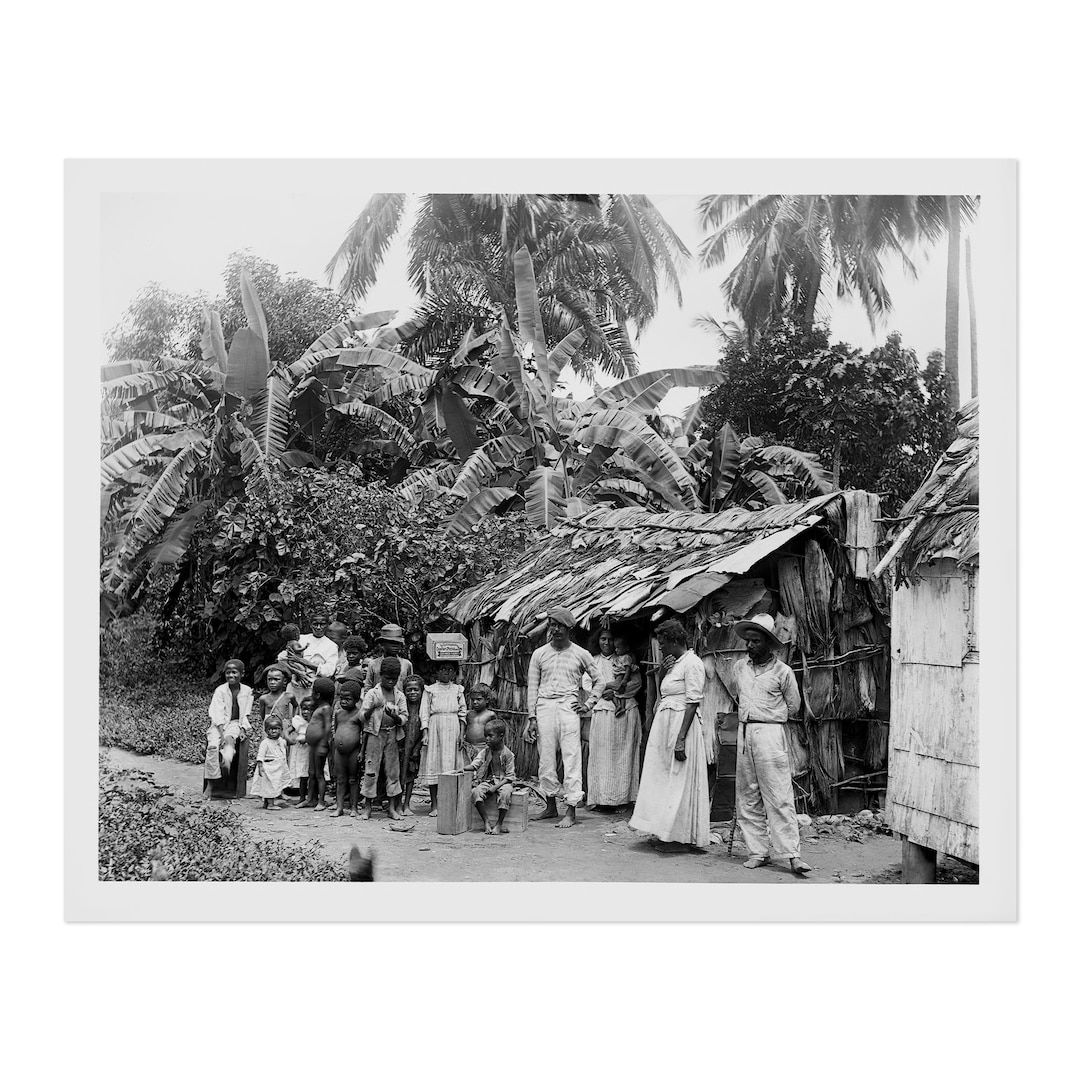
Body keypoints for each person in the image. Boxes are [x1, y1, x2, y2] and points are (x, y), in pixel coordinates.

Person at [731, 613, 812, 876]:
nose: (750, 645)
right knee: (747, 796)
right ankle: (758, 852)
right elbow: (737, 695)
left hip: (770, 733)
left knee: (778, 795)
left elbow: (794, 705)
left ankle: (792, 855)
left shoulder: (782, 672)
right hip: (745, 732)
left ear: (768, 643)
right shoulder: (740, 668)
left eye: (756, 641)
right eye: (748, 640)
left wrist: (768, 716)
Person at [629, 619, 710, 848]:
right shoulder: (675, 663)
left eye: (663, 643)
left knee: (679, 781)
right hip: (666, 725)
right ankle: (663, 830)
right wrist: (664, 670)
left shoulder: (693, 663)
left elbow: (692, 702)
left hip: (681, 726)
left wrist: (680, 739)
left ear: (675, 641)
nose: (661, 648)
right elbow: (665, 692)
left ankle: (680, 837)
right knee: (664, 779)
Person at [524, 607, 605, 829]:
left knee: (571, 757)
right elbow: (533, 687)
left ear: (569, 628)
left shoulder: (580, 653)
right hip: (544, 707)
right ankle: (550, 806)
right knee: (546, 758)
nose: (556, 630)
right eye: (552, 625)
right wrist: (532, 717)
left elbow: (599, 681)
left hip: (568, 707)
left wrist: (588, 704)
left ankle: (570, 811)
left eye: (560, 626)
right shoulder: (539, 654)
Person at [585, 629, 641, 809]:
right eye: (603, 639)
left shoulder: (626, 659)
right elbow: (587, 684)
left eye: (610, 639)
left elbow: (636, 683)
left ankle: (622, 800)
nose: (607, 643)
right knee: (601, 756)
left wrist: (616, 692)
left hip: (625, 712)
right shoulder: (593, 661)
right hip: (602, 711)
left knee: (623, 755)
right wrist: (604, 690)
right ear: (598, 640)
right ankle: (601, 799)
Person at [359, 657, 407, 820]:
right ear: (381, 676)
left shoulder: (399, 695)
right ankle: (367, 808)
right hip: (375, 734)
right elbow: (361, 717)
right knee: (371, 770)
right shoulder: (373, 693)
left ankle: (392, 808)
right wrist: (373, 706)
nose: (390, 682)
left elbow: (404, 717)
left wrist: (395, 717)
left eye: (394, 679)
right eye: (387, 678)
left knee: (393, 771)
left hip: (392, 734)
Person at [418, 659, 467, 817]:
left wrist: (462, 734)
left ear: (454, 673)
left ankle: (450, 803)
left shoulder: (458, 690)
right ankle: (435, 804)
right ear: (437, 672)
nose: (447, 672)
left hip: (453, 727)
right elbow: (424, 713)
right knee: (435, 764)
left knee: (451, 764)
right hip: (436, 728)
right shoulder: (430, 690)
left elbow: (463, 713)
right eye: (443, 669)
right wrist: (425, 733)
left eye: (450, 669)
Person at [203, 659, 254, 799]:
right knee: (213, 747)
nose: (231, 675)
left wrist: (243, 729)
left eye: (234, 672)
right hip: (218, 725)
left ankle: (226, 774)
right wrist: (221, 735)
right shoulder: (220, 690)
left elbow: (246, 714)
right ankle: (211, 785)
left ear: (242, 674)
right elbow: (217, 714)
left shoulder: (247, 691)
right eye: (228, 672)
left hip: (235, 724)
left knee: (229, 748)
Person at [471, 718, 517, 835]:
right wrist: (462, 769)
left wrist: (495, 788)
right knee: (476, 792)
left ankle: (499, 823)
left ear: (501, 736)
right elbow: (476, 763)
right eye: (485, 735)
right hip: (490, 781)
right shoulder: (486, 751)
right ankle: (486, 821)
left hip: (503, 782)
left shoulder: (508, 754)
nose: (487, 739)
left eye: (490, 736)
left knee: (505, 794)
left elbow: (510, 777)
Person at [302, 678, 335, 811]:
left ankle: (321, 801)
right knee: (311, 772)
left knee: (319, 774)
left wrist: (323, 744)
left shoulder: (326, 708)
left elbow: (327, 728)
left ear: (317, 695)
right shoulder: (318, 707)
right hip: (313, 745)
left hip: (320, 745)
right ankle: (310, 799)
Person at [332, 679, 364, 818]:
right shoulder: (338, 713)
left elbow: (364, 734)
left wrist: (362, 751)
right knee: (340, 779)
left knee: (353, 779)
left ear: (356, 700)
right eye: (341, 698)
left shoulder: (359, 714)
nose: (343, 701)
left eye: (348, 699)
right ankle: (339, 807)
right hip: (339, 753)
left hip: (353, 752)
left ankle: (354, 807)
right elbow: (336, 730)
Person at [250, 716, 292, 809]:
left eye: (276, 729)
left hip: (277, 768)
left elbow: (284, 750)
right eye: (271, 729)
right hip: (268, 768)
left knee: (275, 784)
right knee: (269, 786)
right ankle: (270, 804)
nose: (274, 731)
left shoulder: (281, 741)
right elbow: (260, 756)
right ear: (266, 730)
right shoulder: (265, 743)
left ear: (281, 729)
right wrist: (260, 767)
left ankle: (266, 803)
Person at [400, 674, 426, 815]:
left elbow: (424, 729)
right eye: (409, 690)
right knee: (398, 774)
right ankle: (397, 803)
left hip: (415, 747)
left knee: (410, 775)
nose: (412, 692)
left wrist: (417, 748)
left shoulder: (424, 708)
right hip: (401, 746)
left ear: (421, 691)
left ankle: (407, 804)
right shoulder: (402, 706)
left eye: (416, 689)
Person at [363, 624, 414, 690]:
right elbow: (368, 687)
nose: (395, 646)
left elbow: (410, 686)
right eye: (391, 642)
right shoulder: (373, 664)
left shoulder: (406, 664)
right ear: (382, 644)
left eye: (397, 643)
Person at [278, 623, 319, 704]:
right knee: (301, 670)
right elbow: (296, 650)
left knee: (297, 671)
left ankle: (294, 679)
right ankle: (304, 680)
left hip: (292, 662)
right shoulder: (295, 642)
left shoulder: (288, 643)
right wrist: (305, 647)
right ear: (296, 634)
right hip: (295, 662)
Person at [291, 695, 314, 806]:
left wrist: (307, 739)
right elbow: (288, 730)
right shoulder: (298, 721)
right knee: (303, 776)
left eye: (309, 709)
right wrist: (289, 738)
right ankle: (302, 797)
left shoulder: (315, 721)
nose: (305, 712)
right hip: (301, 752)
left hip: (312, 750)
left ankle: (312, 797)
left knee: (313, 774)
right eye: (304, 709)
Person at [463, 682, 496, 762]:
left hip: (483, 747)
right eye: (472, 699)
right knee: (467, 766)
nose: (475, 702)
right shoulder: (468, 714)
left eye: (478, 699)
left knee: (482, 766)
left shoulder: (490, 715)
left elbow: (495, 731)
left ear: (487, 700)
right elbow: (464, 729)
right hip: (468, 747)